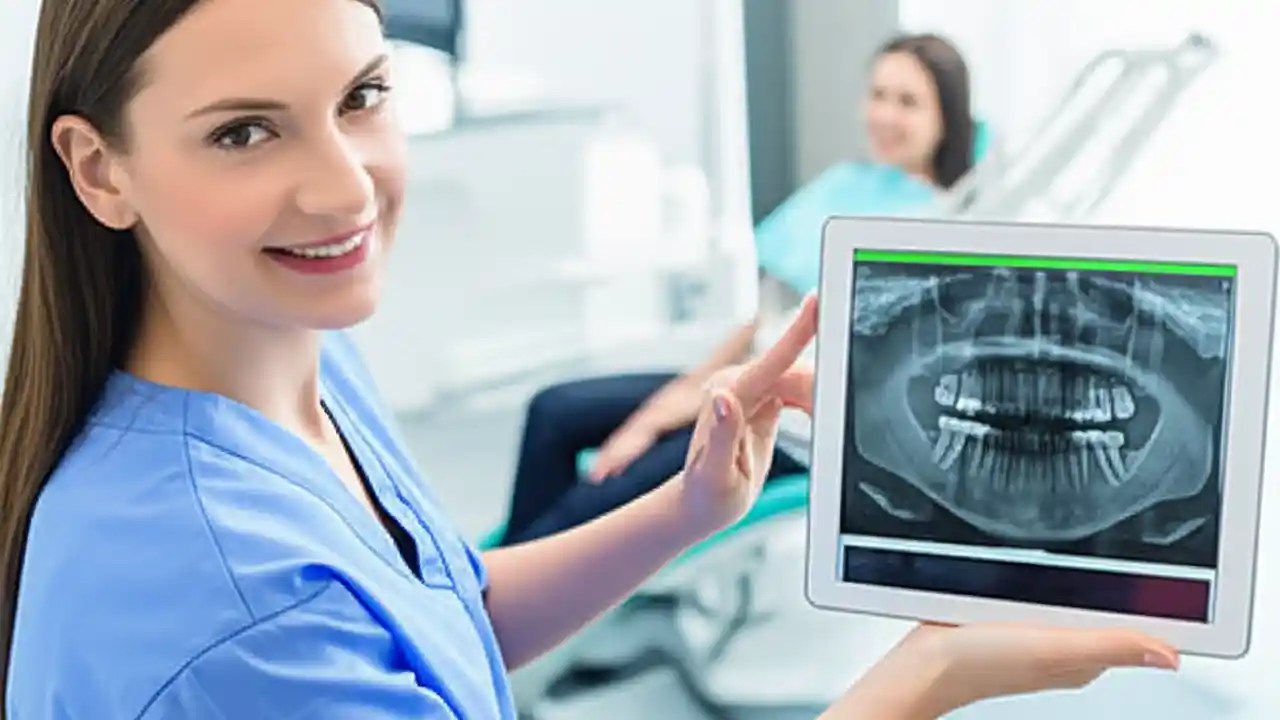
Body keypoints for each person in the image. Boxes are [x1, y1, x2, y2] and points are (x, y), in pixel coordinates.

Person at [0, 2, 1178, 718]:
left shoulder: (297, 359)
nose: (347, 188)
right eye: (244, 131)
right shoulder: (239, 619)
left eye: (362, 96)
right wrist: (927, 678)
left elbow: (441, 614)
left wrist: (686, 508)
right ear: (98, 169)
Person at [499, 33, 975, 546]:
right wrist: (679, 394)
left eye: (907, 102)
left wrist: (656, 421)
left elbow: (798, 370)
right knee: (553, 410)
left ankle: (506, 581)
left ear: (946, 118)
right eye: (878, 95)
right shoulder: (846, 186)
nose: (884, 115)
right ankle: (498, 575)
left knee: (589, 505)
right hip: (741, 378)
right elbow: (762, 319)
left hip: (783, 420)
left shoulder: (931, 231)